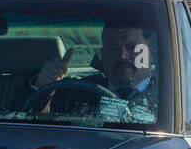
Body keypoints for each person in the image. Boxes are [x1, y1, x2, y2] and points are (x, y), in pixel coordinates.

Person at [31, 21, 159, 122]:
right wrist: (45, 89)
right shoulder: (76, 92)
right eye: (112, 49)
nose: (122, 56)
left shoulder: (169, 95)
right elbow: (39, 128)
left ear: (151, 53)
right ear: (102, 55)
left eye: (132, 47)